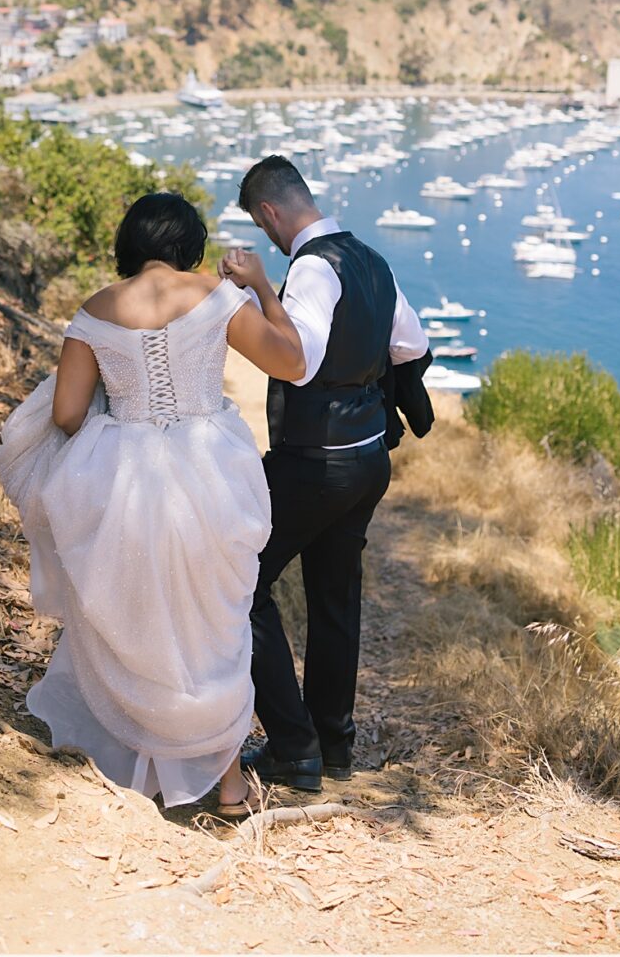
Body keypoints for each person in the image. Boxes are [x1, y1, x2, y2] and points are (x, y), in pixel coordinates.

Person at [0, 191, 308, 818]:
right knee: (214, 626)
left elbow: (66, 414)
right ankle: (227, 787)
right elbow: (293, 362)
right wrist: (264, 289)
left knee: (144, 620)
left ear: (130, 245)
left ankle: (148, 773)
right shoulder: (216, 297)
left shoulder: (95, 310)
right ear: (187, 245)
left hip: (125, 479)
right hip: (210, 474)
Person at [233, 155, 430, 791]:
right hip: (369, 457)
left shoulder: (312, 269)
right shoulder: (372, 258)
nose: (268, 240)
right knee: (335, 596)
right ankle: (334, 745)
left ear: (269, 213)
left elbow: (297, 363)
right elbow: (412, 346)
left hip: (316, 462)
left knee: (238, 581)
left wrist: (264, 289)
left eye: (264, 230)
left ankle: (293, 745)